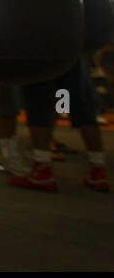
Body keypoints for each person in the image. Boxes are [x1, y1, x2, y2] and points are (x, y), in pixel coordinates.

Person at [10, 60, 107, 192]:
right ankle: (98, 170)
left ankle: (42, 168)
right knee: (81, 108)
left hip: (41, 57)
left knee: (39, 106)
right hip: (71, 56)